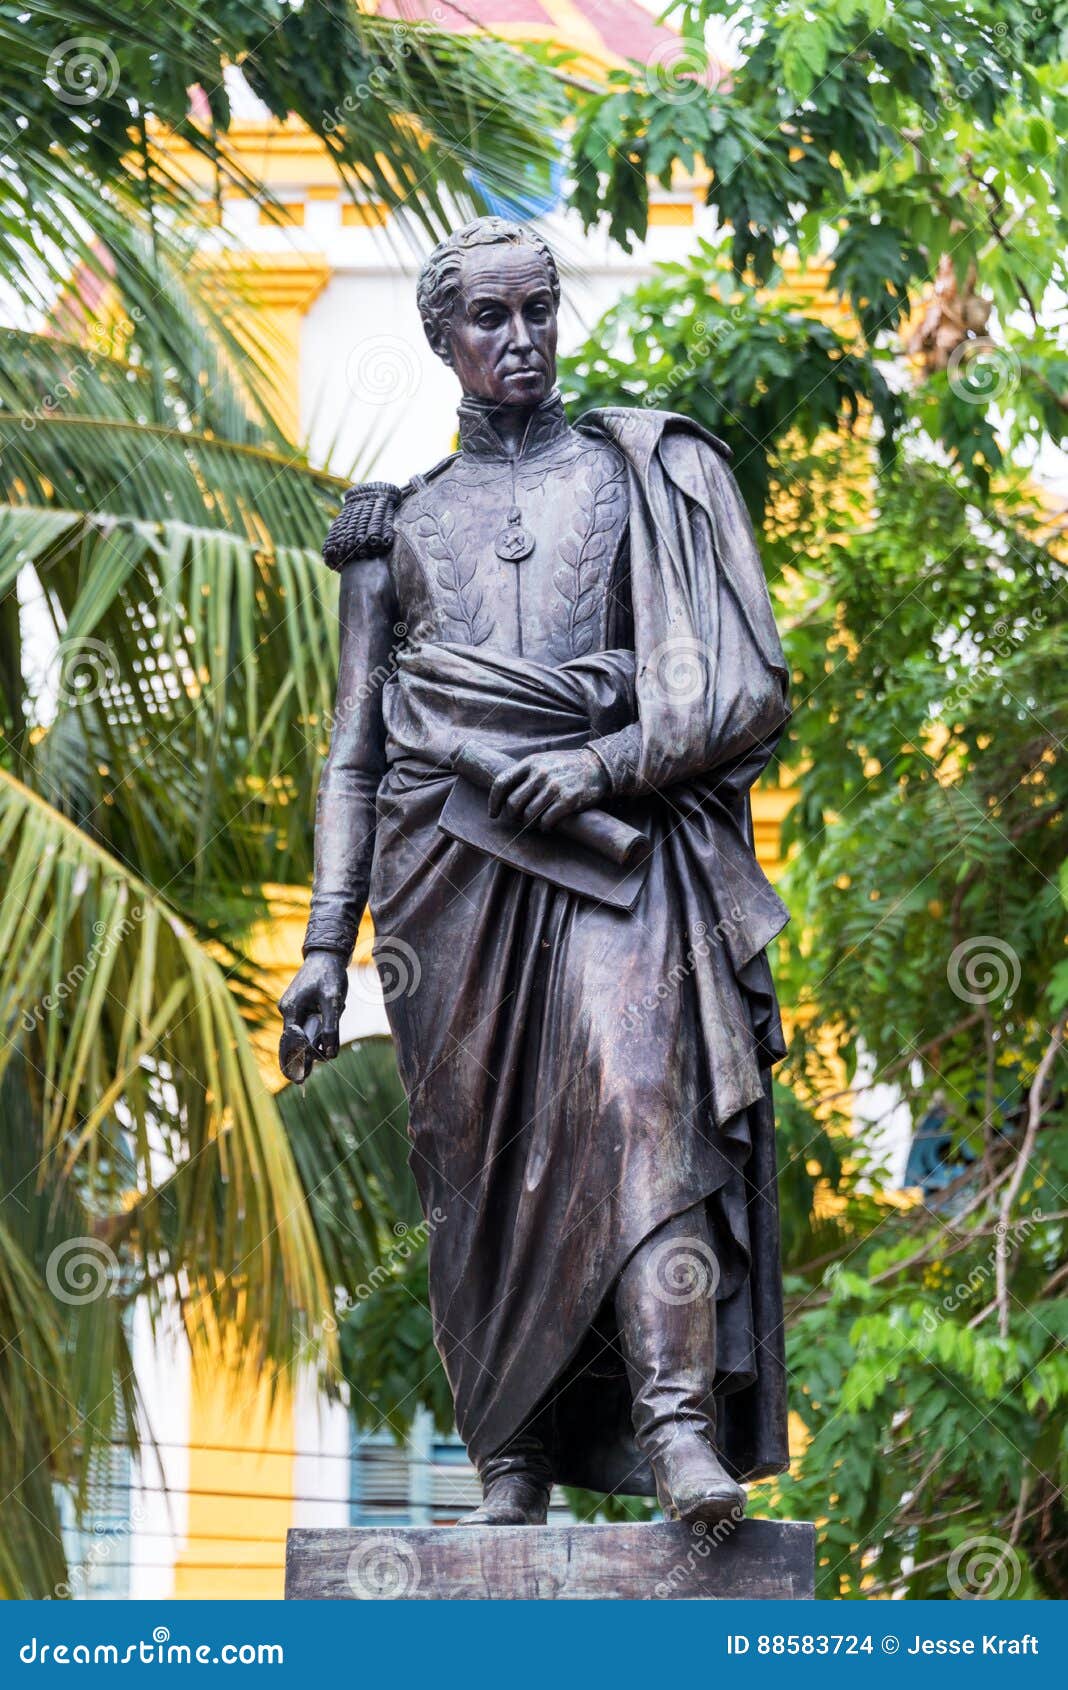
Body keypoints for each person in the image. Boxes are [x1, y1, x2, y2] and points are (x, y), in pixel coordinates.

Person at [280, 216, 792, 1526]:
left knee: (643, 1103)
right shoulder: (394, 531)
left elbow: (743, 690)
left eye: (538, 312)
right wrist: (326, 947)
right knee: (477, 1172)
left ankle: (681, 1432)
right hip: (448, 883)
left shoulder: (642, 476)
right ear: (440, 338)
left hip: (623, 859)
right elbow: (355, 748)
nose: (520, 342)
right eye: (488, 320)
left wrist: (601, 764)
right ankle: (507, 1458)